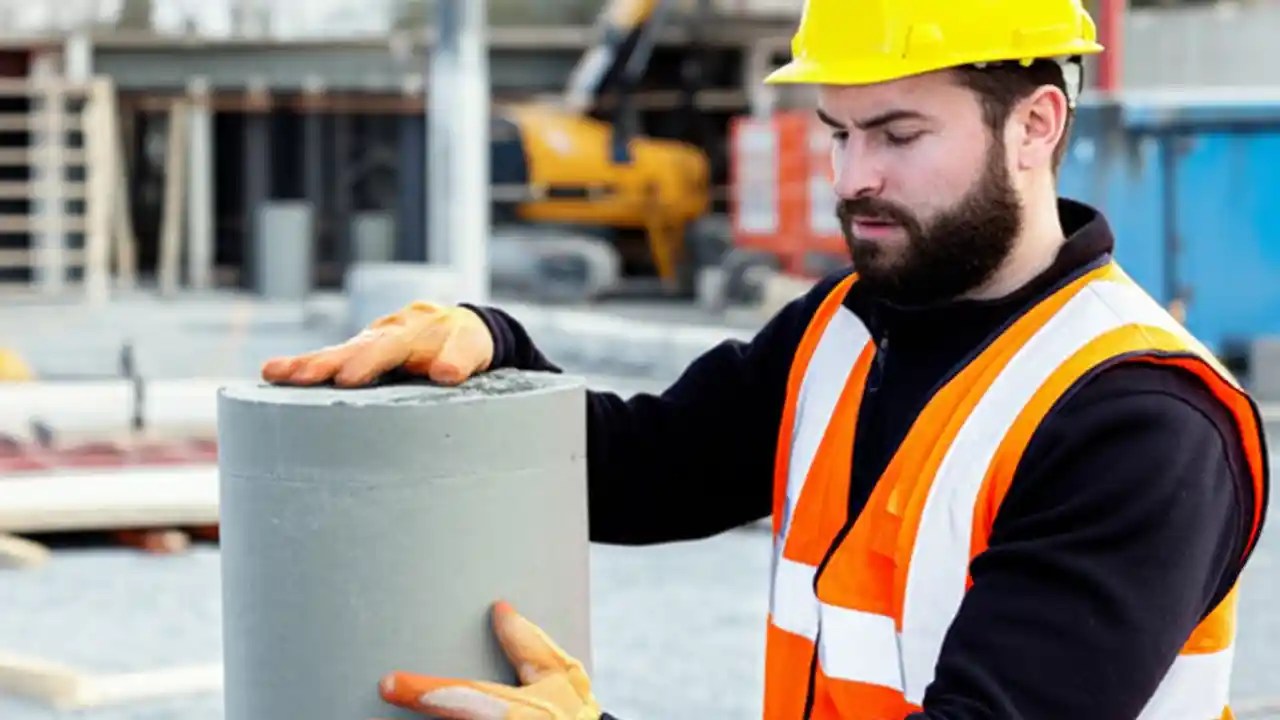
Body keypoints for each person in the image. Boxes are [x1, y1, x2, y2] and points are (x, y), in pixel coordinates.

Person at [262, 1, 1270, 718]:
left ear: (1033, 126)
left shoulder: (1137, 419)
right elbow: (644, 469)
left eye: (897, 133)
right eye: (835, 132)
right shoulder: (844, 325)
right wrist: (489, 352)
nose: (852, 177)